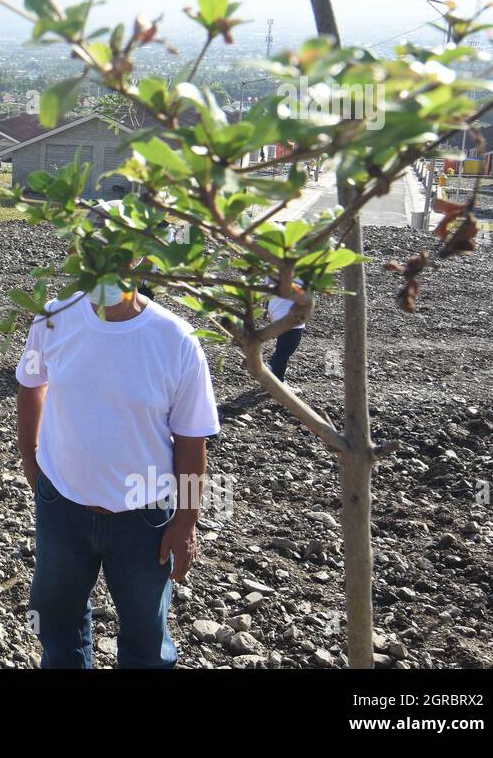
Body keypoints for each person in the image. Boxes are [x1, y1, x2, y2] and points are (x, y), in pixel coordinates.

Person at [16, 281, 219, 669]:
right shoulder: (53, 319)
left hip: (144, 519)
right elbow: (31, 384)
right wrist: (30, 457)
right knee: (57, 623)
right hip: (62, 506)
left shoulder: (176, 339)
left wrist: (186, 521)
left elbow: (192, 439)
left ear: (142, 250)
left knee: (146, 635)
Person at [267, 280, 307, 386]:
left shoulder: (272, 266)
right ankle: (278, 383)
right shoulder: (299, 267)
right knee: (287, 348)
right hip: (289, 312)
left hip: (276, 307)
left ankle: (272, 367)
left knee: (283, 345)